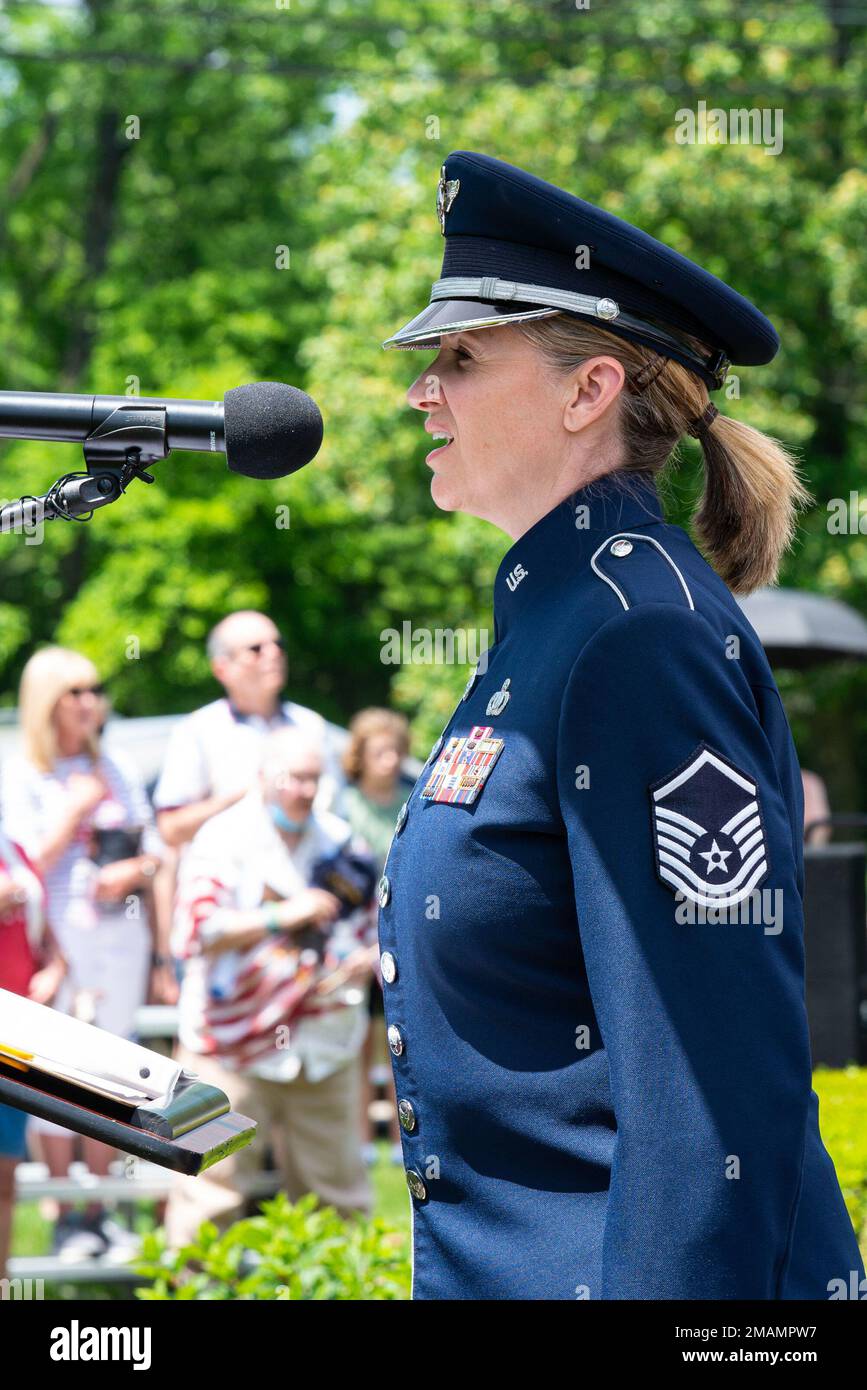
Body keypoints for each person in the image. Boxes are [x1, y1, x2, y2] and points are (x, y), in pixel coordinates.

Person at [374, 150, 866, 1300]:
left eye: (458, 357)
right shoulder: (565, 617)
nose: (419, 393)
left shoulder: (633, 636)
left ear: (587, 390)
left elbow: (709, 1092)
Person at [164, 725, 377, 1248]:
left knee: (338, 1201)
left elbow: (377, 928)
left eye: (314, 779)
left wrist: (364, 959)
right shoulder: (221, 837)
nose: (305, 790)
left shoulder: (344, 842)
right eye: (294, 778)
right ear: (264, 777)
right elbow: (194, 931)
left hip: (323, 1046)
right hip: (229, 1046)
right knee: (208, 1194)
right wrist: (282, 916)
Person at [0, 646, 164, 1260]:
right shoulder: (21, 775)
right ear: (48, 701)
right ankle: (67, 1212)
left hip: (120, 938)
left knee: (111, 1074)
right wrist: (70, 815)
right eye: (77, 691)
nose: (92, 701)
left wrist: (134, 870)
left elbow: (154, 854)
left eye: (97, 689)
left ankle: (101, 1209)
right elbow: (21, 868)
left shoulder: (115, 766)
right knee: (55, 1076)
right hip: (57, 944)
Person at [153, 609, 343, 852]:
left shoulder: (311, 725)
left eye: (278, 644)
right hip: (228, 880)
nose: (274, 654)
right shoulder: (197, 730)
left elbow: (336, 813)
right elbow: (170, 829)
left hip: (308, 878)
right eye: (256, 649)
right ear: (222, 668)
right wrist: (248, 797)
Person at [337, 708, 413, 1165]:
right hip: (351, 938)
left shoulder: (413, 796)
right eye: (378, 751)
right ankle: (362, 1148)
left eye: (394, 750)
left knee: (399, 1039)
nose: (388, 759)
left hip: (401, 932)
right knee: (357, 1044)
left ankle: (406, 1148)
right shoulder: (340, 804)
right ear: (359, 755)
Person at [0, 827, 66, 1280]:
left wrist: (55, 968)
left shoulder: (15, 848)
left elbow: (50, 944)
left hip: (14, 1038)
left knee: (4, 1180)